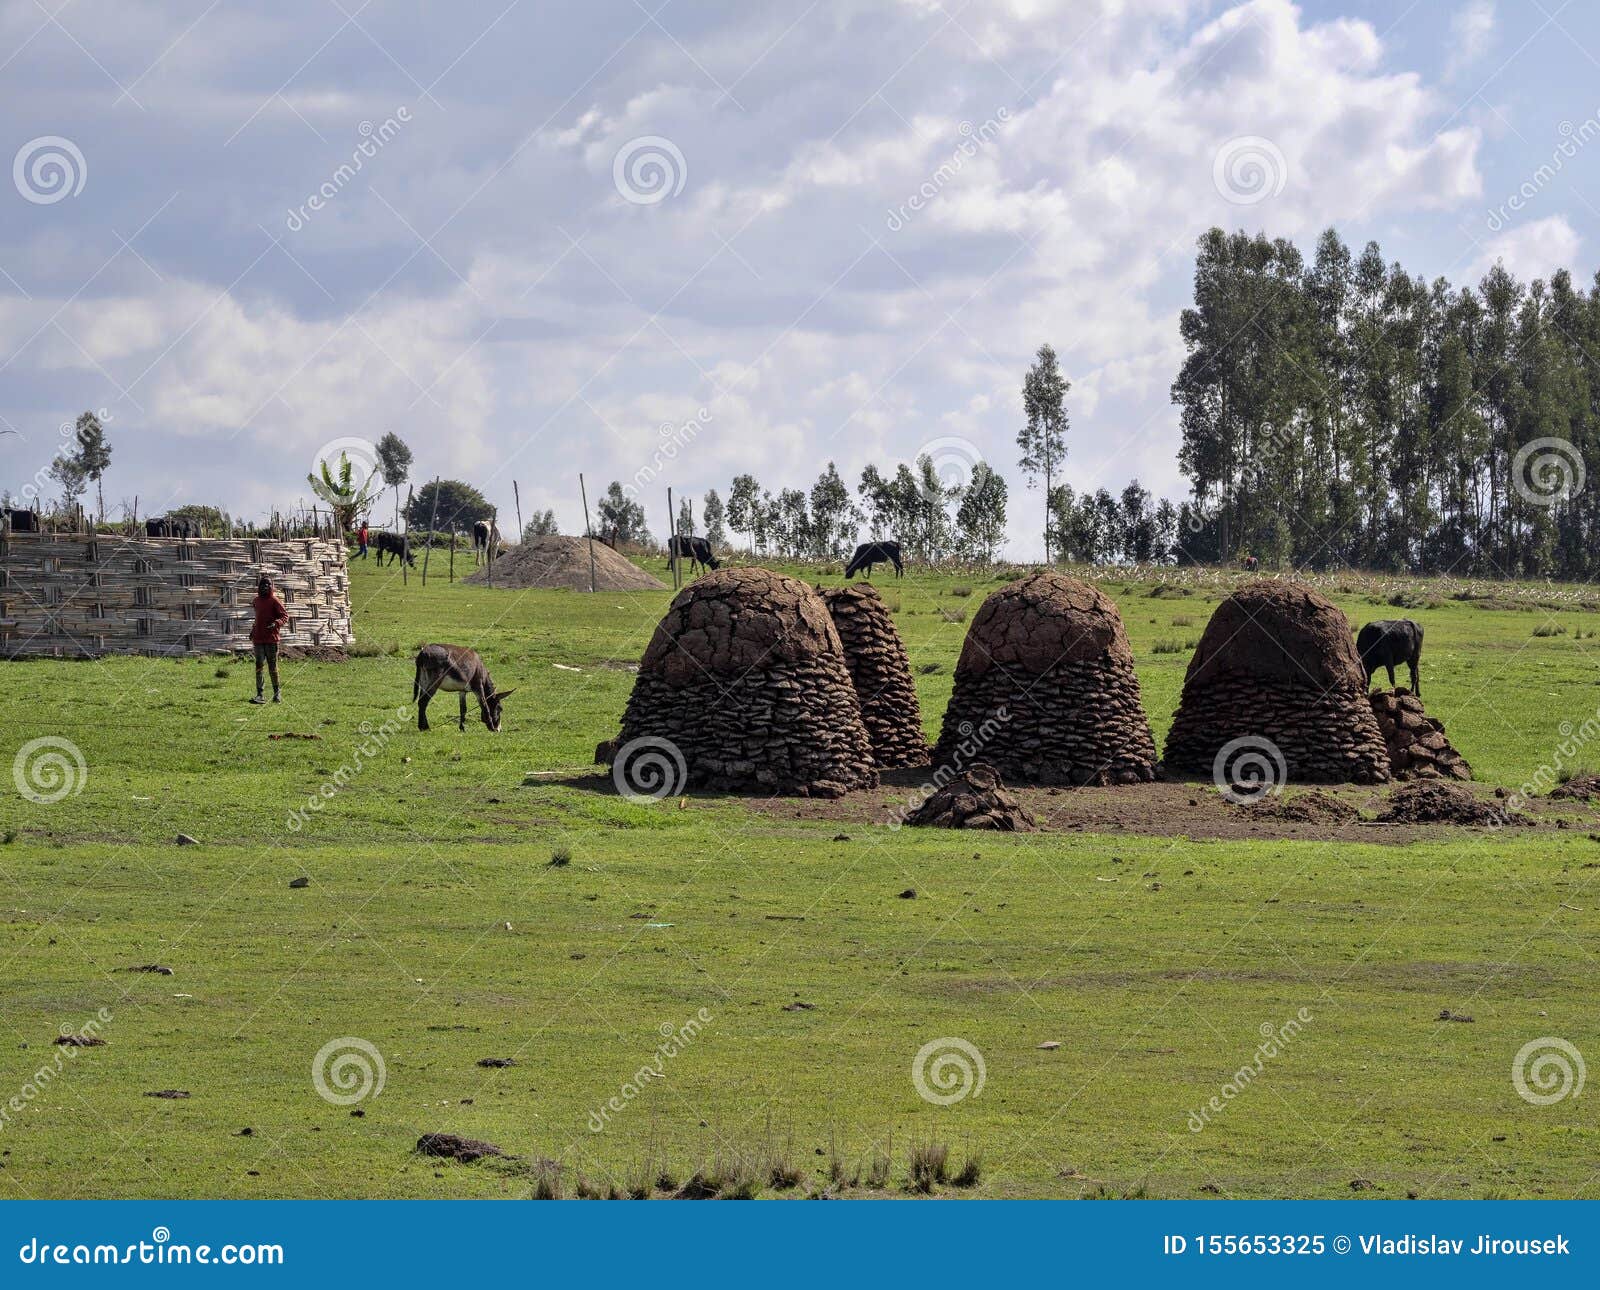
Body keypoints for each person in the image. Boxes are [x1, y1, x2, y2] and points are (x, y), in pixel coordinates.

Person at [249, 575, 289, 704]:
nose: (265, 586)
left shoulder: (274, 601)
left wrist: (276, 623)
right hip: (258, 639)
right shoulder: (256, 601)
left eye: (268, 584)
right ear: (259, 587)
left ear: (272, 586)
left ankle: (277, 694)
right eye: (263, 584)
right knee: (259, 666)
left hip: (271, 639)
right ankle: (260, 694)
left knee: (273, 667)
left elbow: (285, 616)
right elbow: (258, 618)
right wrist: (253, 630)